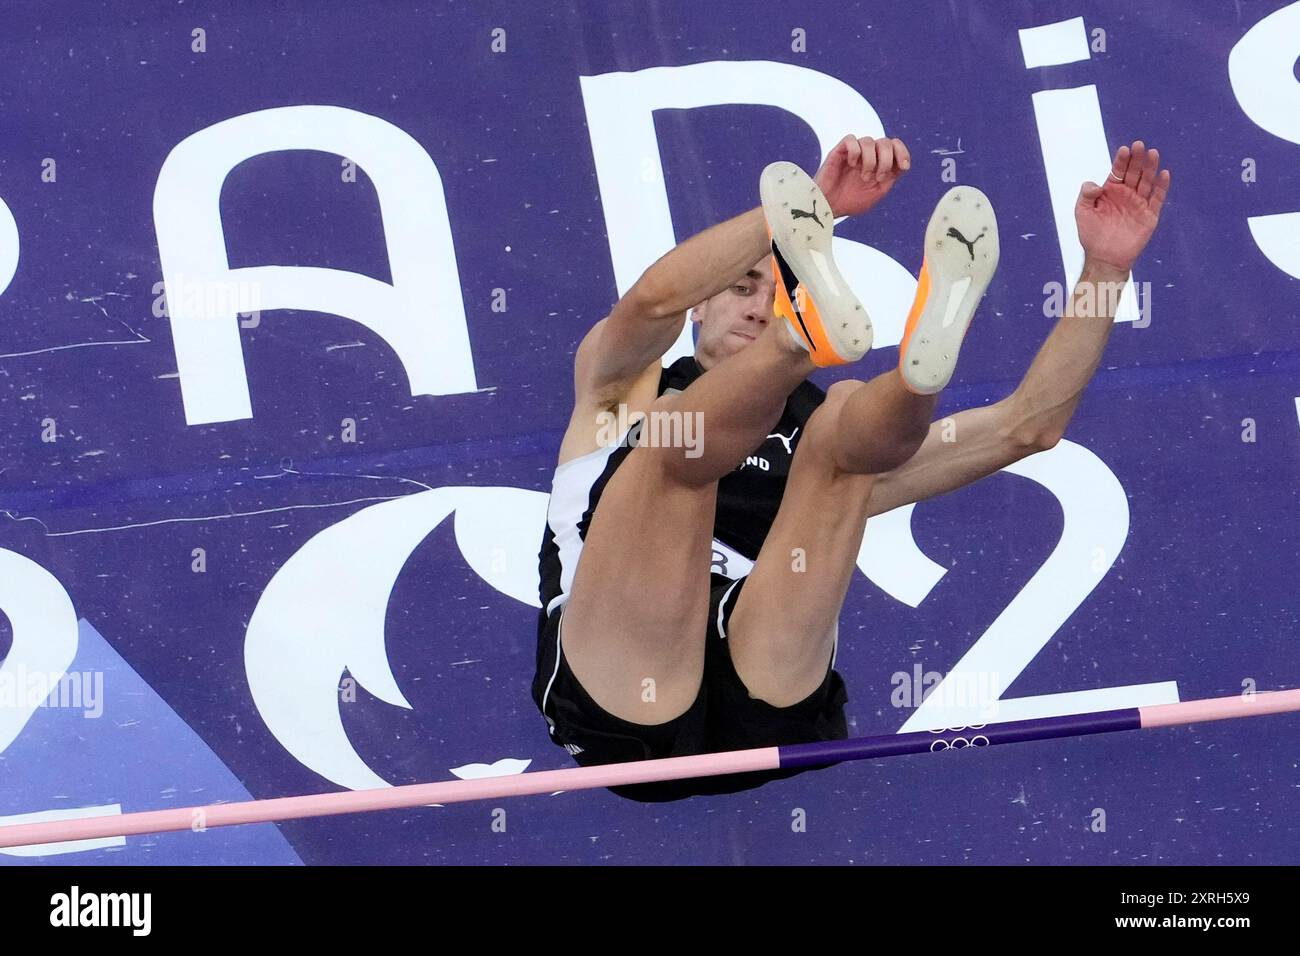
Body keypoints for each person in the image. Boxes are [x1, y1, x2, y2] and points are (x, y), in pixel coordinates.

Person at [533, 134, 1171, 801]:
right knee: (677, 447)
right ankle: (804, 340)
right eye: (740, 287)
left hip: (764, 678)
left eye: (774, 292)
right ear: (702, 301)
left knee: (840, 426)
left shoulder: (807, 430)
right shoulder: (622, 391)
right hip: (631, 689)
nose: (754, 302)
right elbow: (647, 306)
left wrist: (1106, 268)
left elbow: (1028, 425)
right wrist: (815, 210)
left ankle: (908, 372)